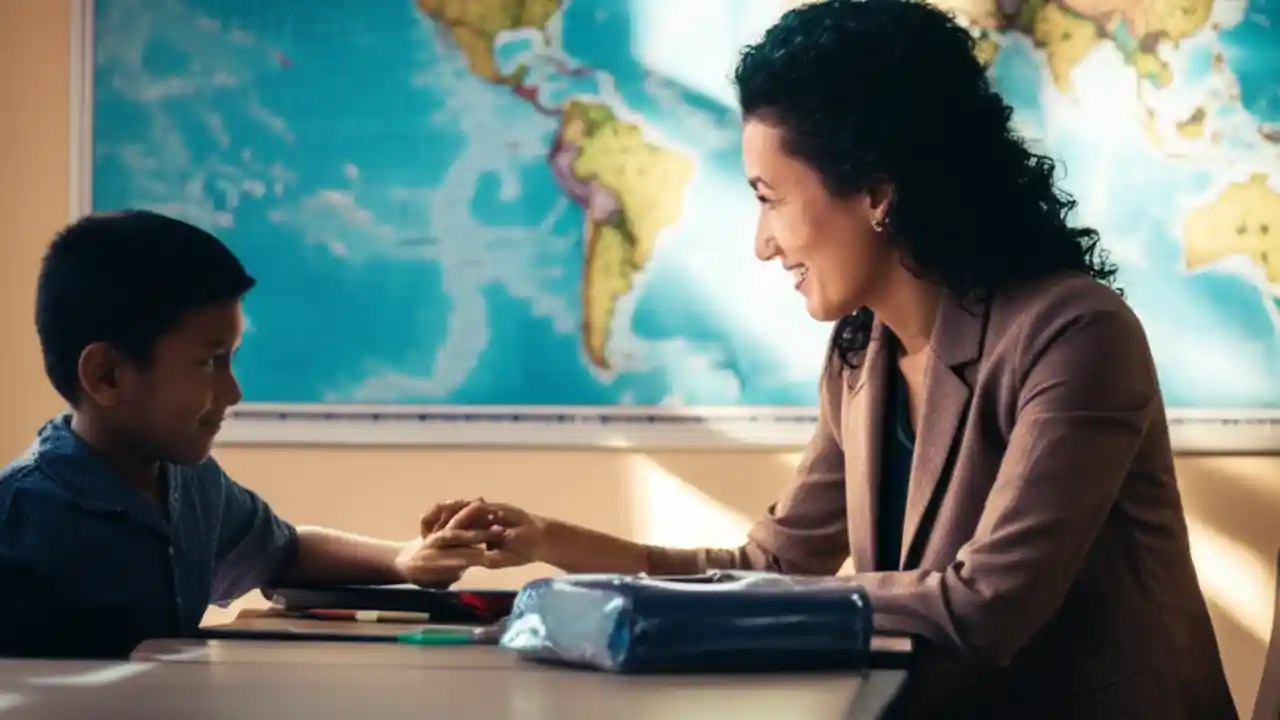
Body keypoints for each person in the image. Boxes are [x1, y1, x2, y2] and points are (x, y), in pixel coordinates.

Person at [445, 1, 1236, 716]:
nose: (763, 244)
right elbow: (773, 564)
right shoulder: (862, 354)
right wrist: (549, 541)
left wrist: (717, 608)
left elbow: (986, 606)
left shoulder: (1075, 334)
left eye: (770, 198)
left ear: (878, 194)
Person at [0, 211, 504, 659]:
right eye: (209, 361)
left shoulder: (191, 482)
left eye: (232, 359)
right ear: (107, 375)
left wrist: (403, 558)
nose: (234, 391)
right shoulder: (19, 523)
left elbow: (285, 552)